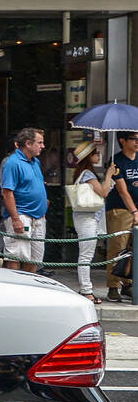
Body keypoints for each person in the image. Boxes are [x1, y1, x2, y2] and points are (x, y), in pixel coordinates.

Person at [72, 141, 116, 303]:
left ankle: (85, 288)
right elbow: (103, 192)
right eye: (96, 153)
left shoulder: (81, 173)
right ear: (89, 157)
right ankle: (86, 290)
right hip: (87, 219)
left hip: (85, 217)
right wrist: (110, 174)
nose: (98, 156)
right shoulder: (88, 174)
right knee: (86, 255)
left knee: (86, 254)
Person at [0, 127, 49, 273]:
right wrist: (15, 219)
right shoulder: (13, 163)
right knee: (15, 255)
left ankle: (29, 288)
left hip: (38, 216)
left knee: (35, 257)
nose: (43, 146)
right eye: (39, 143)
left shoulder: (36, 162)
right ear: (28, 143)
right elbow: (7, 193)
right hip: (21, 214)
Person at [105, 130, 138, 301]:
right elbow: (122, 190)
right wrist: (134, 211)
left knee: (135, 249)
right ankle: (113, 286)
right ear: (123, 140)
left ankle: (129, 283)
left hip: (137, 209)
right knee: (118, 247)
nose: (137, 142)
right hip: (120, 209)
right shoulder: (116, 161)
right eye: (134, 139)